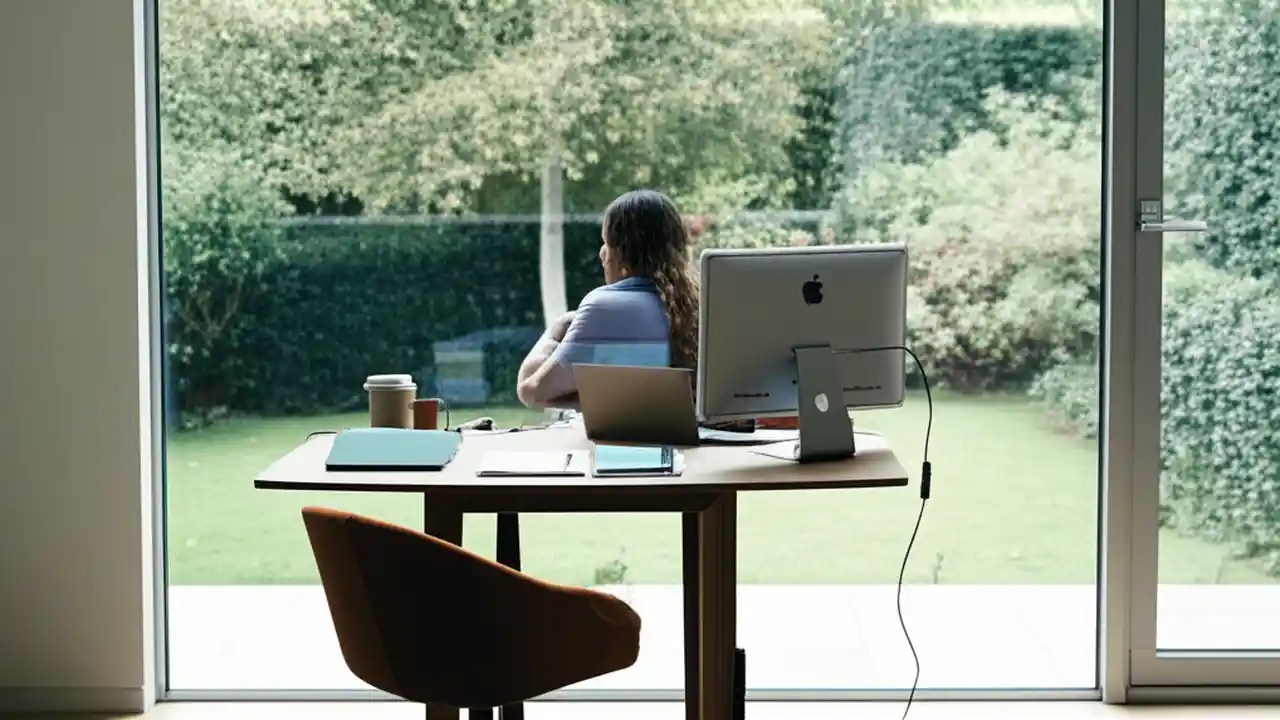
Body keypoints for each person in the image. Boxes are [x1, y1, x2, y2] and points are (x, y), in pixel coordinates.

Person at [516, 189, 699, 409]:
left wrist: (558, 328)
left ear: (622, 254)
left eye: (606, 243)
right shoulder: (702, 305)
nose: (602, 253)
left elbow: (532, 390)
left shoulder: (604, 308)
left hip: (626, 441)